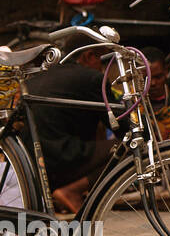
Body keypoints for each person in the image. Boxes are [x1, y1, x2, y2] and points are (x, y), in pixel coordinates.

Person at [23, 49, 113, 214]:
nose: (103, 68)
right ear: (89, 55)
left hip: (32, 167)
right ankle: (72, 191)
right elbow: (122, 126)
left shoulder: (35, 79)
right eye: (102, 61)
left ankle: (63, 193)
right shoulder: (92, 78)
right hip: (62, 159)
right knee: (134, 145)